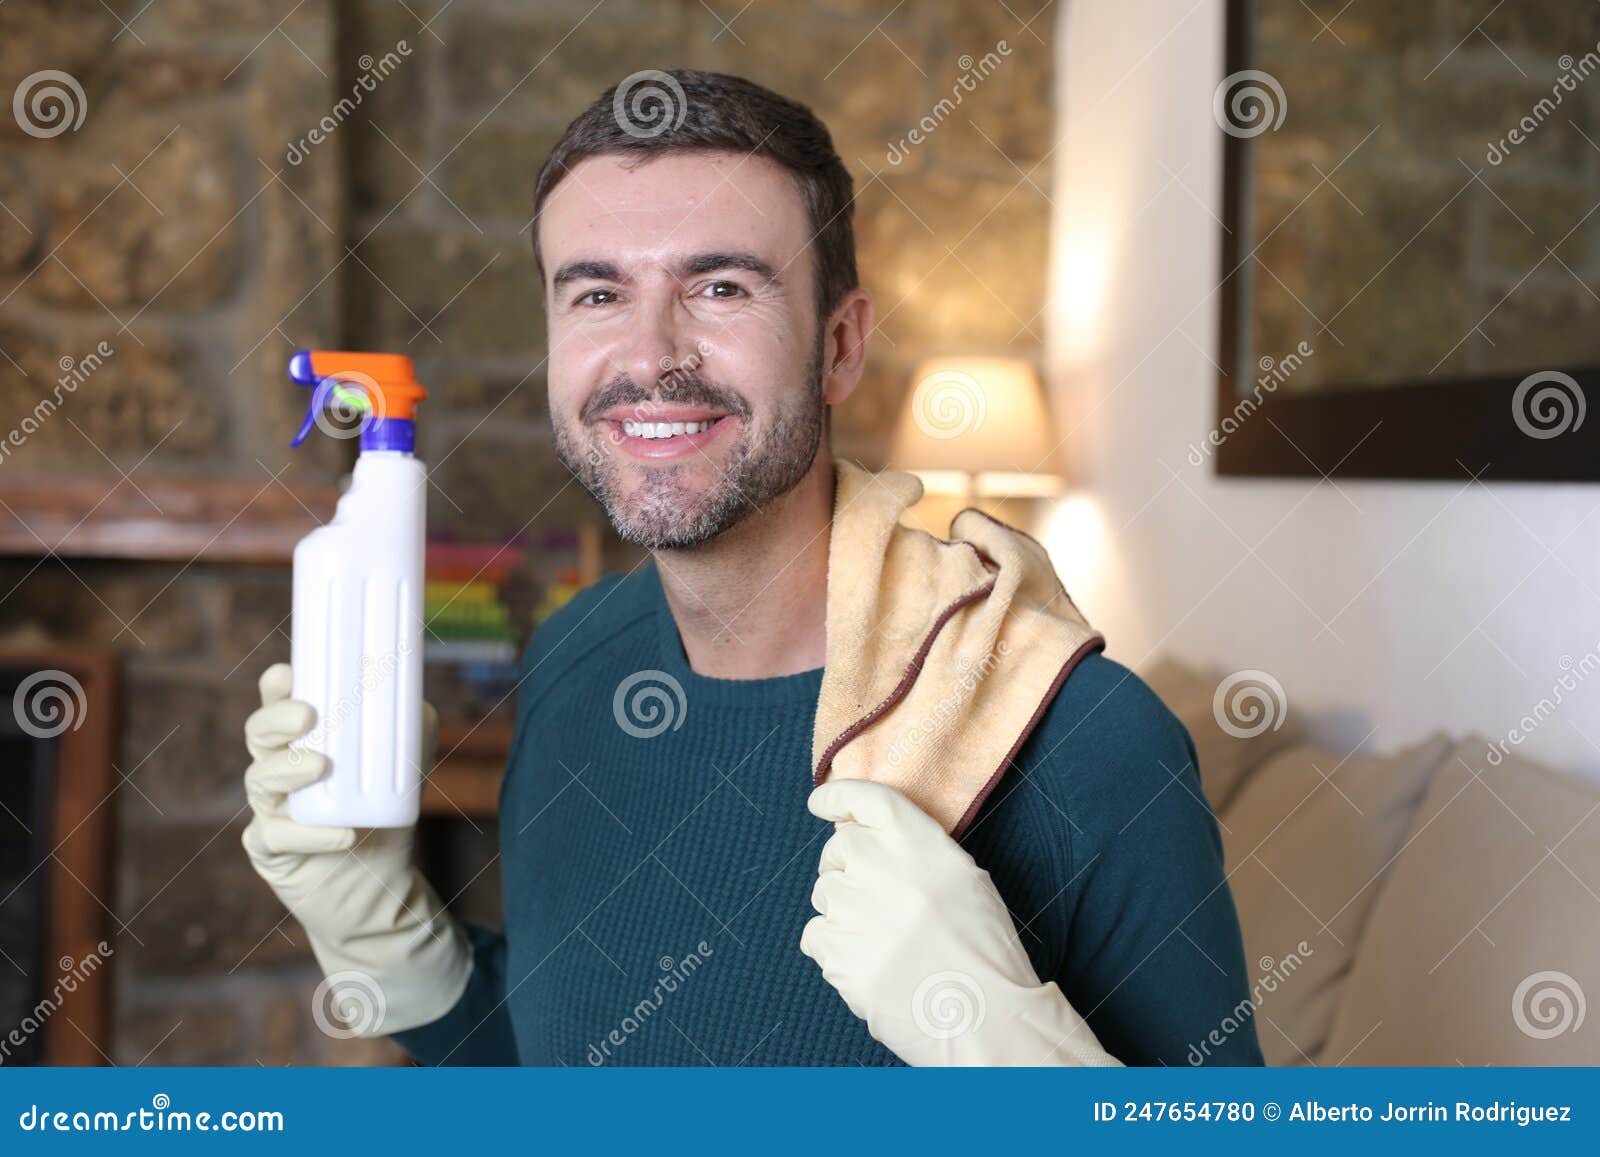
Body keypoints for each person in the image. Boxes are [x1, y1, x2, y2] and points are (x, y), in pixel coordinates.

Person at [241, 69, 1264, 1067]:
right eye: (596, 292)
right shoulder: (570, 659)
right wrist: (385, 934)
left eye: (720, 285)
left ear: (840, 344)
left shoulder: (1083, 740)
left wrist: (1003, 1053)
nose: (651, 355)